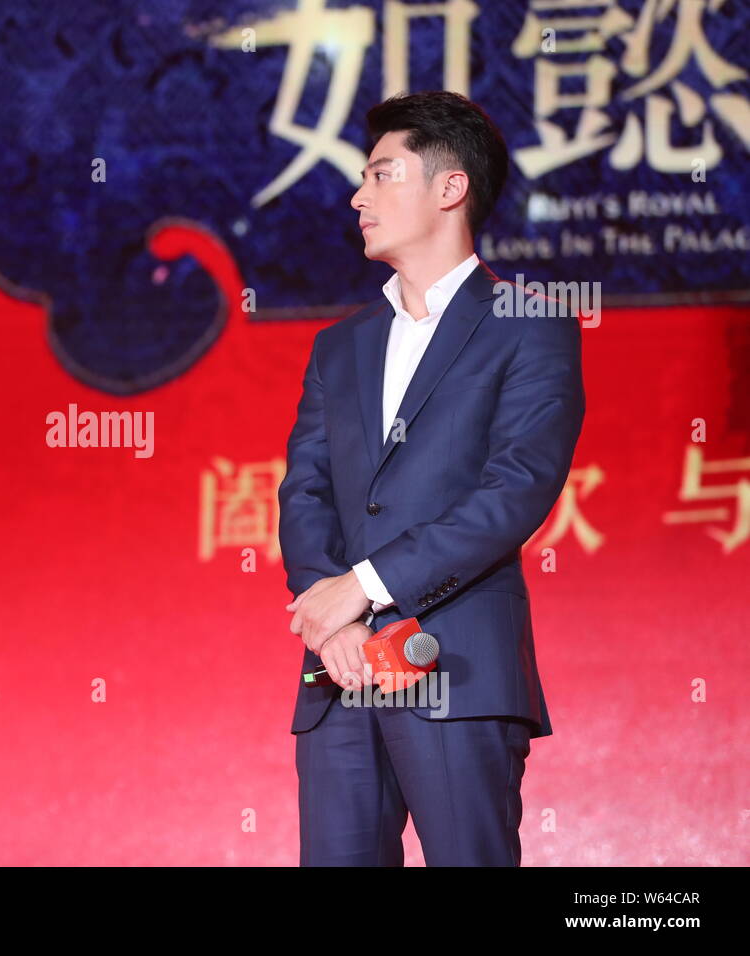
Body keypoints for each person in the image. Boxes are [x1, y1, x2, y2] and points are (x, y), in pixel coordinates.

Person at [278, 92, 585, 866]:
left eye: (383, 174)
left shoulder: (530, 323)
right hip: (338, 675)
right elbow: (304, 490)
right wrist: (334, 616)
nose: (359, 196)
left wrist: (368, 584)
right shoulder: (338, 346)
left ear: (450, 189)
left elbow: (515, 490)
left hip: (455, 665)